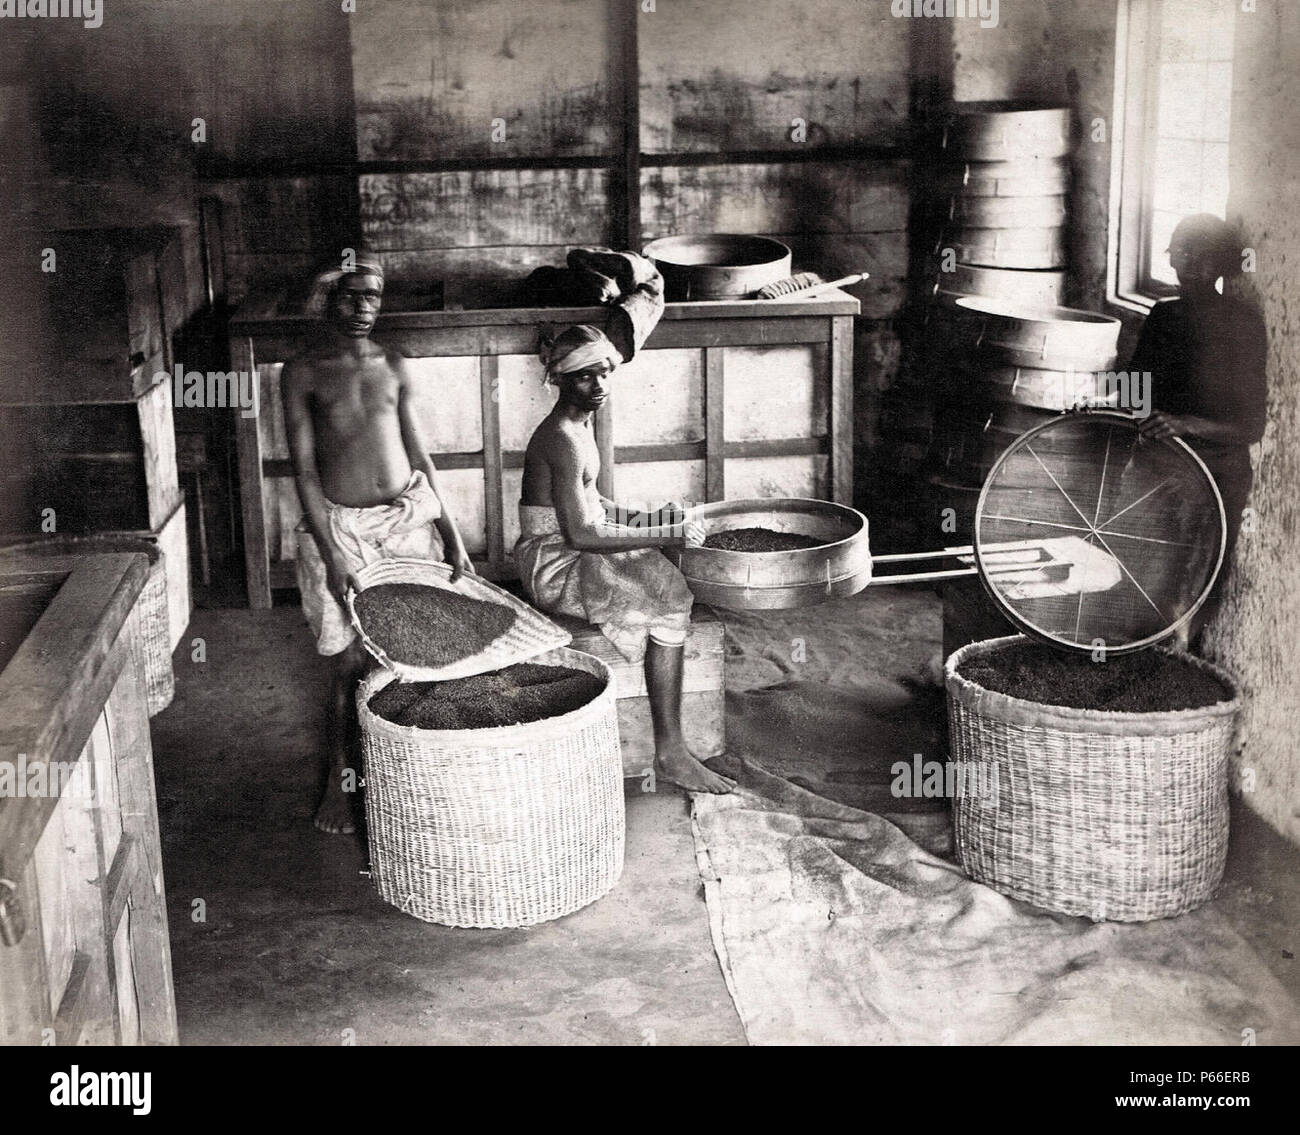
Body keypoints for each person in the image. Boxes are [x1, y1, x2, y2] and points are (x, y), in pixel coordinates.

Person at [283, 252, 475, 833]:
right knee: (348, 663)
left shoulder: (393, 361)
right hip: (342, 531)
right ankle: (340, 781)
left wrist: (454, 538)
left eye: (373, 295)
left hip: (408, 523)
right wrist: (334, 555)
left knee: (419, 648)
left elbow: (420, 458)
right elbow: (305, 474)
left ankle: (414, 769)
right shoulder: (304, 370)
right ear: (327, 299)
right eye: (350, 295)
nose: (364, 307)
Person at [515, 315, 736, 795]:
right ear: (558, 378)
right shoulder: (559, 438)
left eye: (604, 373)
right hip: (554, 563)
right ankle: (671, 751)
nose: (598, 385)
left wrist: (653, 522)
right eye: (583, 375)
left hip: (574, 542)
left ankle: (672, 744)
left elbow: (598, 504)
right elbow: (580, 535)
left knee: (667, 573)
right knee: (668, 594)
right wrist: (665, 535)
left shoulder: (580, 424)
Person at [1128, 214, 1267, 643]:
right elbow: (1136, 391)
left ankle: (1181, 658)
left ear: (1222, 264)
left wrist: (1186, 424)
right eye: (1177, 253)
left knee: (1199, 582)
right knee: (1144, 574)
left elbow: (1250, 426)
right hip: (1163, 465)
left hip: (1216, 471)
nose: (1183, 264)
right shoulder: (1163, 315)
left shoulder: (1241, 325)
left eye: (1196, 255)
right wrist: (1107, 406)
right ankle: (1139, 653)